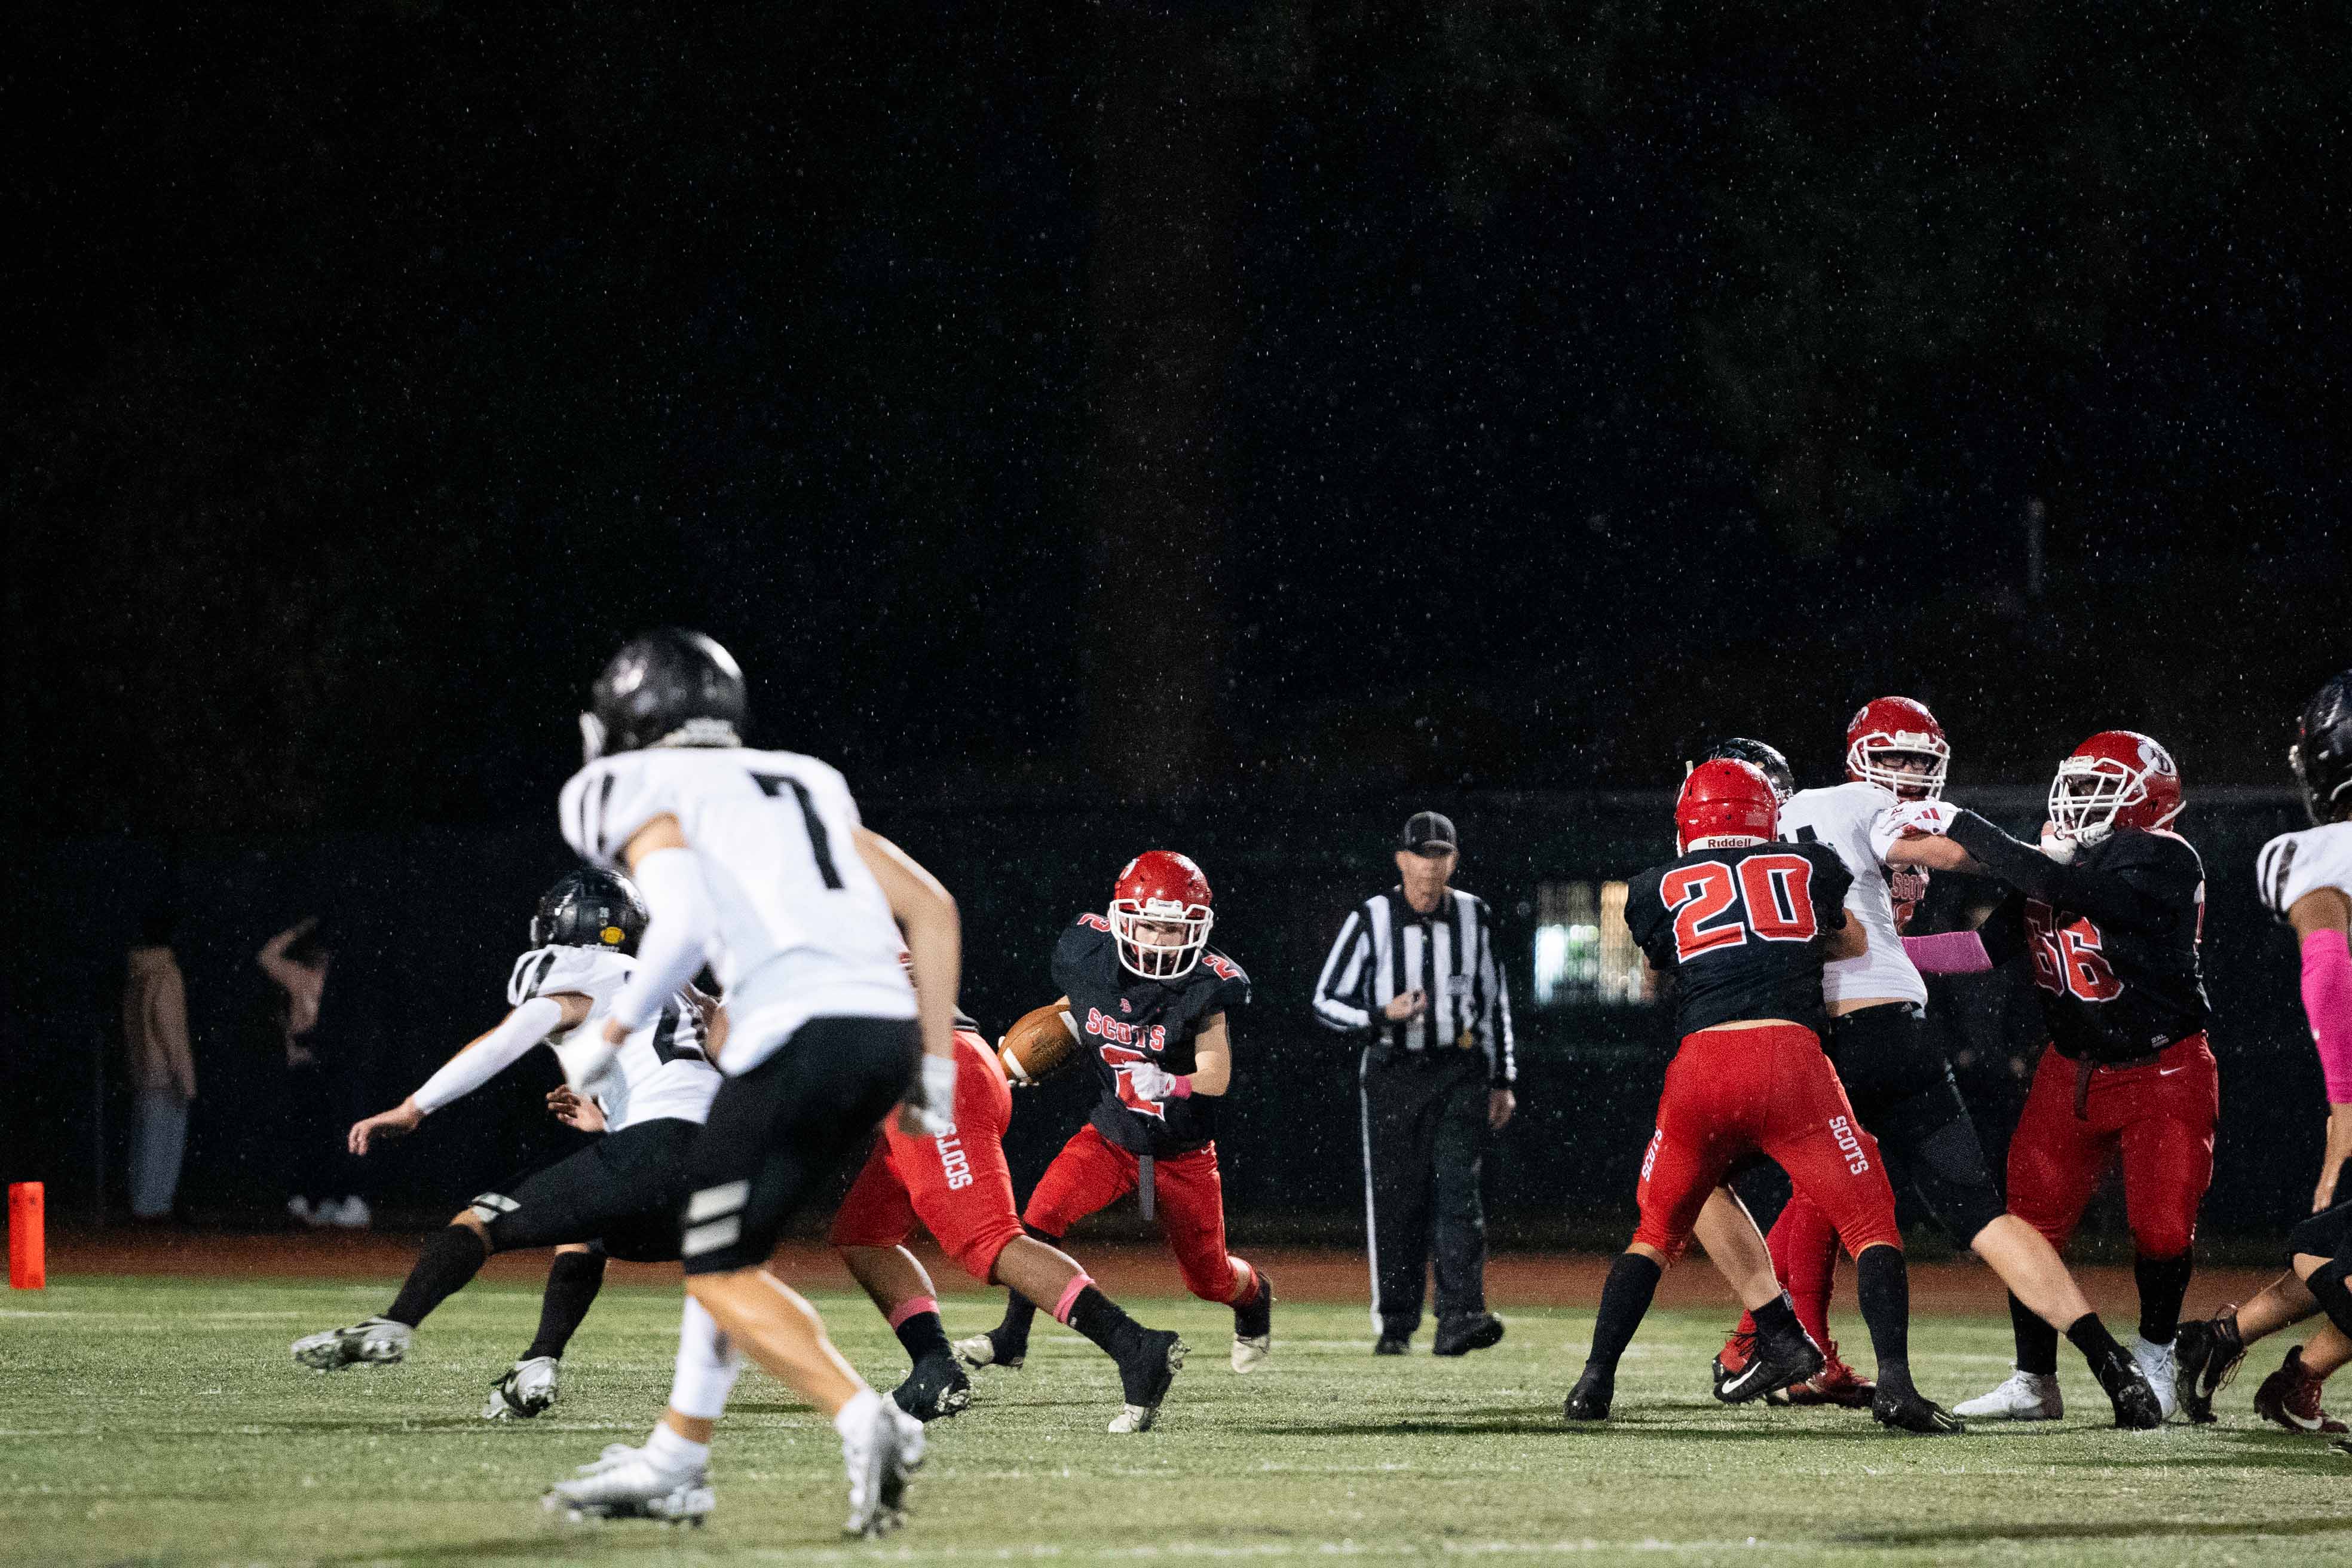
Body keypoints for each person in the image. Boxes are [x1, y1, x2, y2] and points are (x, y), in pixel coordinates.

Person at [538, 629, 956, 1538]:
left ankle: (866, 1420)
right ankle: (677, 1459)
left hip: (793, 1032)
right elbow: (932, 907)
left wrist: (607, 1032)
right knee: (729, 1246)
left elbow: (682, 920)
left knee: (720, 1266)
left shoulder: (630, 786)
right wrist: (929, 1066)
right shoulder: (804, 777)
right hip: (880, 1030)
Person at [1707, 708, 2157, 1426]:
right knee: (1978, 1214)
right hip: (1902, 1029)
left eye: (1922, 762)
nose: (1910, 774)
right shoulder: (1863, 807)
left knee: (1706, 1179)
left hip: (1808, 1035)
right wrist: (2042, 860)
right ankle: (2112, 1360)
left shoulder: (1749, 838)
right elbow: (1956, 861)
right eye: (1898, 759)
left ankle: (1775, 1341)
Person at [1563, 759, 1959, 1434]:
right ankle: (1895, 1383)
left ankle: (1594, 1382)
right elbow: (1851, 939)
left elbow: (1665, 963)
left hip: (1701, 1066)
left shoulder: (1654, 885)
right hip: (1789, 1058)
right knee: (1869, 1224)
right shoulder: (1809, 864)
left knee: (1655, 1232)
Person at [289, 868, 719, 1421]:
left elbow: (505, 1042)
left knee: (479, 1222)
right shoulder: (680, 985)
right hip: (726, 1169)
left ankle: (394, 1323)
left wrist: (415, 1106)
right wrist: (618, 1126)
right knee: (583, 1234)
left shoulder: (582, 973)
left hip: (657, 1147)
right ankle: (538, 1363)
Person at [1889, 730, 2216, 1425]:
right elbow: (1980, 948)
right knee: (2031, 1225)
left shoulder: (2162, 855)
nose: (2076, 801)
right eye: (2075, 784)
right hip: (2069, 1068)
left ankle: (2155, 1352)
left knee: (2161, 1228)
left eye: (2099, 788)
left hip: (2164, 1067)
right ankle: (2034, 1378)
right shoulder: (2059, 861)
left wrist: (1964, 825)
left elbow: (2062, 885)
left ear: (2146, 797)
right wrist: (1883, 957)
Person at [955, 851, 1270, 1394]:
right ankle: (1012, 1337)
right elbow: (1073, 1013)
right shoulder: (1090, 956)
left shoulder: (1208, 985)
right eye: (1147, 923)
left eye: (1173, 930)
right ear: (1123, 919)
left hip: (1185, 1154)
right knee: (1040, 1214)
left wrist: (1172, 1083)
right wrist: (1017, 1060)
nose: (1157, 939)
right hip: (1113, 1135)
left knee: (1210, 1279)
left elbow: (1216, 1074)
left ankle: (1256, 1296)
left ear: (1196, 931)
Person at [826, 987, 1186, 1430]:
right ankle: (934, 1368)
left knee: (991, 1239)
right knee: (863, 1235)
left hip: (930, 1074)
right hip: (939, 1064)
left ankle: (1135, 1346)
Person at [2175, 672, 2352, 1432]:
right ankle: (2264, 1362)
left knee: (2335, 1248)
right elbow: (2331, 968)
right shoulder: (2322, 853)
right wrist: (2346, 1110)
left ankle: (2231, 1347)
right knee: (2333, 1249)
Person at [1311, 810, 1515, 1356]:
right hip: (1393, 1073)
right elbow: (1325, 1000)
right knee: (1397, 1200)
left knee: (1458, 1195)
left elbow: (1495, 1003)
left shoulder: (1477, 915)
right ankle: (1397, 1324)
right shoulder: (1372, 916)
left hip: (1459, 1071)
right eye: (1421, 854)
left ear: (1454, 861)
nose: (1431, 866)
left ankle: (1460, 1318)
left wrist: (1503, 1079)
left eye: (1441, 854)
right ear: (1401, 859)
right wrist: (1382, 1013)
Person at [260, 917, 368, 1228]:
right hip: (305, 1069)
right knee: (307, 1137)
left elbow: (347, 1029)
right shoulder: (299, 976)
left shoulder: (344, 982)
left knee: (338, 1135)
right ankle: (310, 1200)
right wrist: (298, 929)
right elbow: (266, 957)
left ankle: (342, 1200)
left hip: (335, 1069)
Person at [123, 906, 197, 1221]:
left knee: (145, 1141)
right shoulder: (166, 974)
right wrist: (186, 1078)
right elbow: (171, 1029)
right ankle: (154, 1208)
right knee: (162, 1143)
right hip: (166, 1074)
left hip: (144, 1069)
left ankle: (145, 1205)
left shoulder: (137, 973)